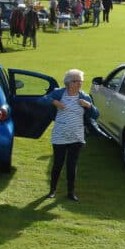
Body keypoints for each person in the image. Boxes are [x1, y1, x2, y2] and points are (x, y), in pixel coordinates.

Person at [41, 69, 107, 201]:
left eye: (81, 81)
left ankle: (71, 192)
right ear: (69, 83)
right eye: (76, 81)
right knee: (58, 164)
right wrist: (54, 102)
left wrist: (89, 106)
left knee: (72, 165)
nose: (80, 83)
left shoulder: (84, 97)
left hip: (76, 136)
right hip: (60, 135)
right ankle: (52, 191)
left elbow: (96, 115)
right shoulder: (59, 93)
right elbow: (44, 99)